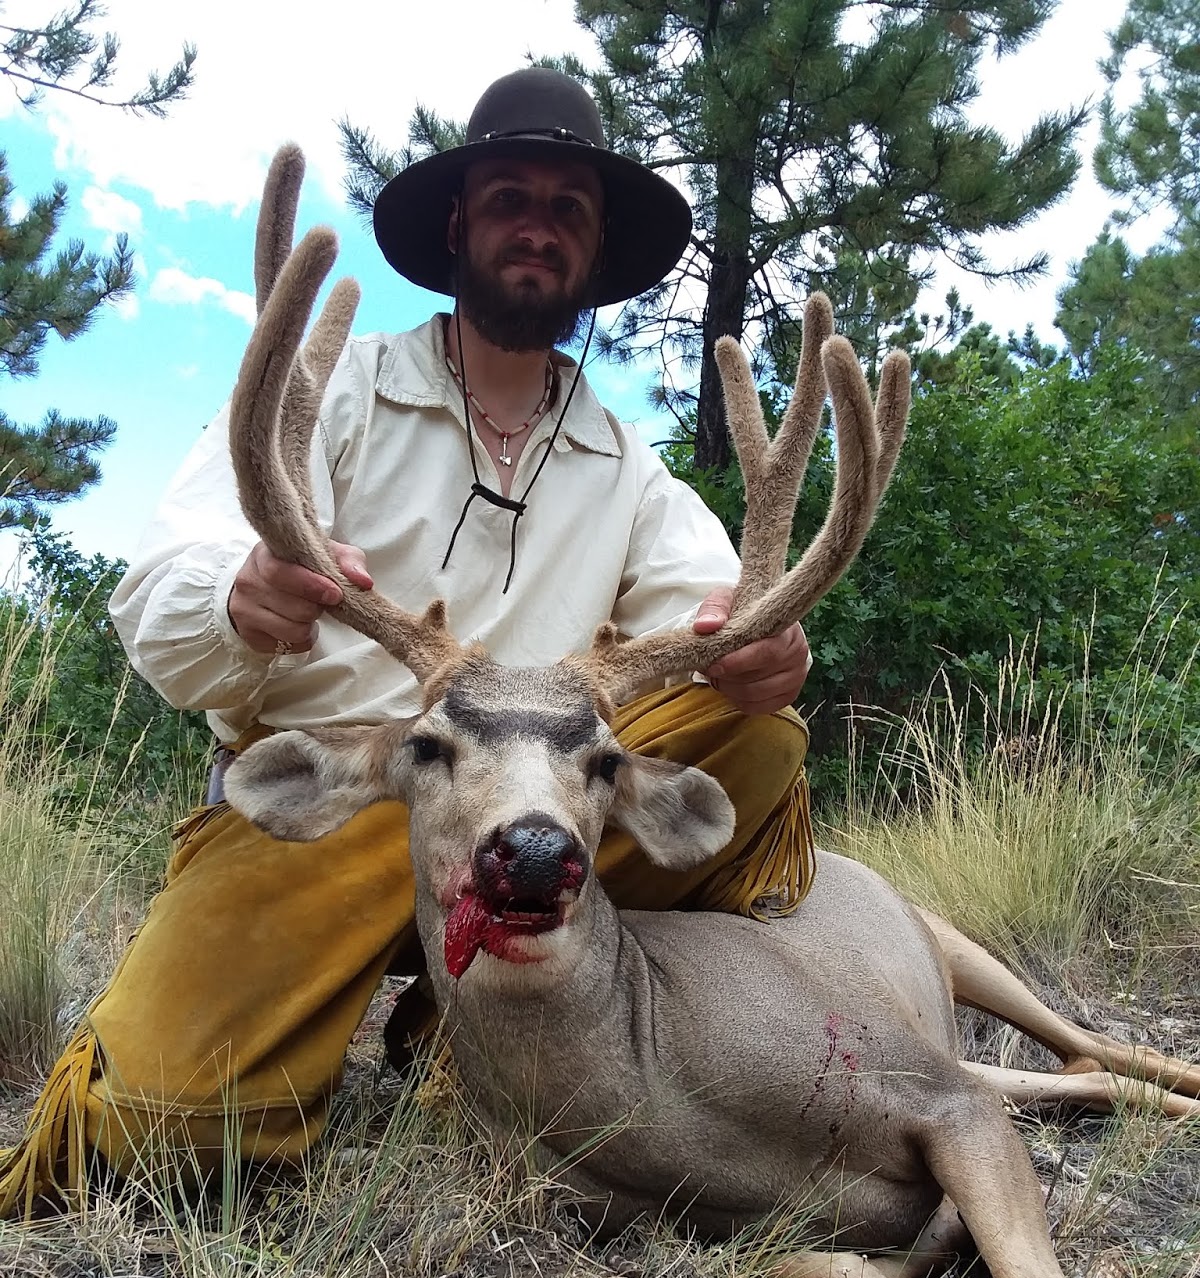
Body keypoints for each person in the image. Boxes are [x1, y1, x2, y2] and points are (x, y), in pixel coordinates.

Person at [0, 67, 815, 1218]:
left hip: (532, 826)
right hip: (342, 801)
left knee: (758, 732)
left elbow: (716, 604)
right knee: (156, 1127)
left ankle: (465, 1010)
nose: (538, 225)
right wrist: (238, 598)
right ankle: (416, 1004)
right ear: (457, 225)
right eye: (510, 197)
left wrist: (763, 650)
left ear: (595, 251)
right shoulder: (337, 390)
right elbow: (160, 593)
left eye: (569, 208)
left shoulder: (623, 461)